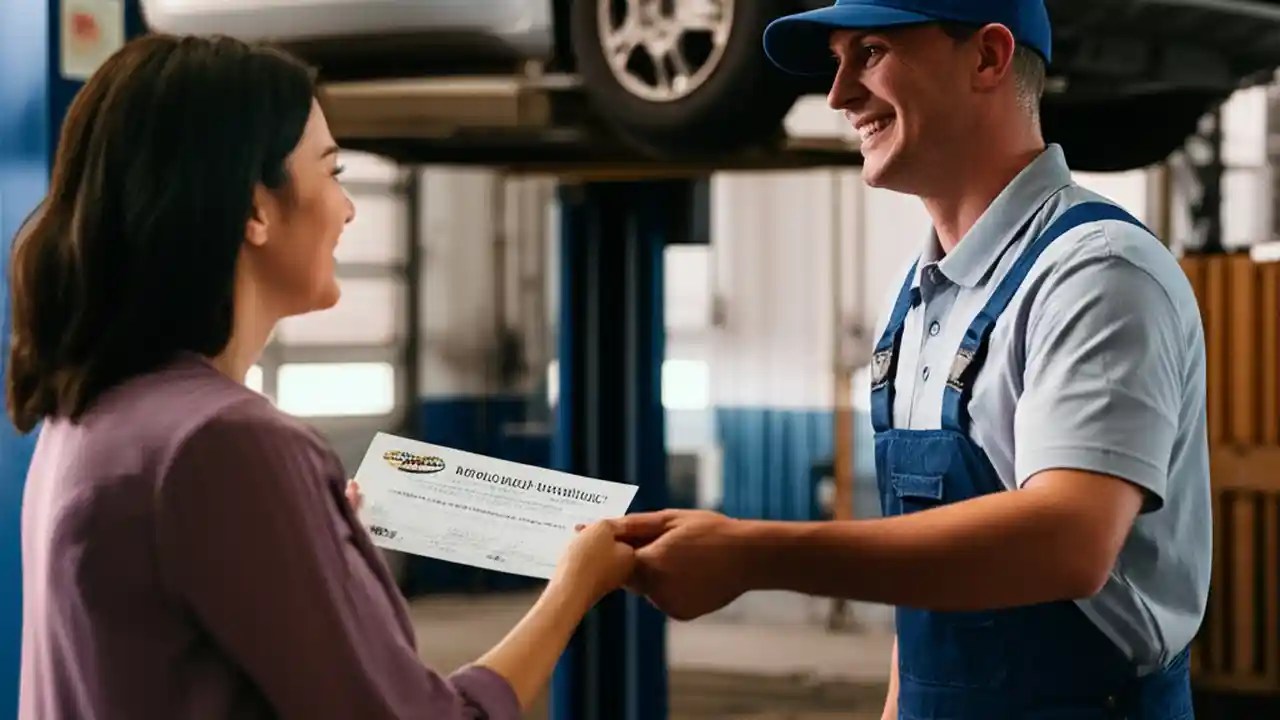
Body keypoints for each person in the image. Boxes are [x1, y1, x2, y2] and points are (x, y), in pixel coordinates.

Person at [8, 33, 634, 720]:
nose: (348, 208)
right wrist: (577, 585)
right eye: (332, 171)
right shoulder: (228, 442)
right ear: (254, 208)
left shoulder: (93, 413)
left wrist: (312, 536)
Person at [618, 1, 1211, 718]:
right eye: (836, 61)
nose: (837, 95)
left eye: (869, 52)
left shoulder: (1097, 273)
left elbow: (1067, 541)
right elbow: (931, 588)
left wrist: (756, 555)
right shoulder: (922, 293)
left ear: (989, 58)